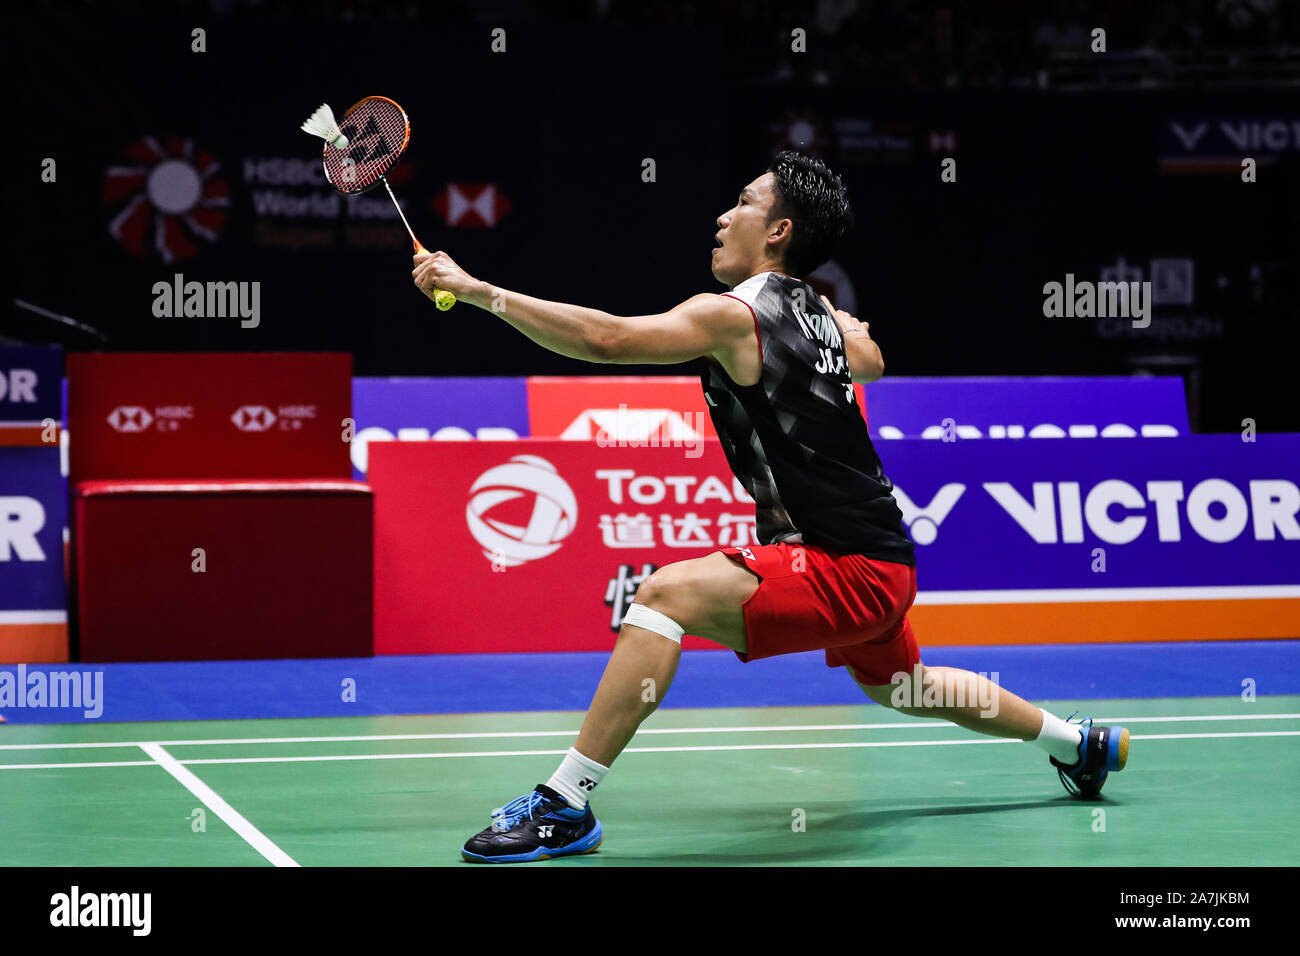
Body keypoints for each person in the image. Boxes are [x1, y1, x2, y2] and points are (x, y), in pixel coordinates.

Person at [412, 150, 1130, 864]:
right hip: (881, 559)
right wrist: (847, 329)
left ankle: (564, 804)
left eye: (745, 203)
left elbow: (607, 339)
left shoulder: (732, 316)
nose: (723, 216)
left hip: (846, 565)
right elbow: (871, 360)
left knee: (663, 596)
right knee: (906, 687)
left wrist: (478, 290)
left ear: (779, 231)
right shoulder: (813, 312)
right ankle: (1081, 744)